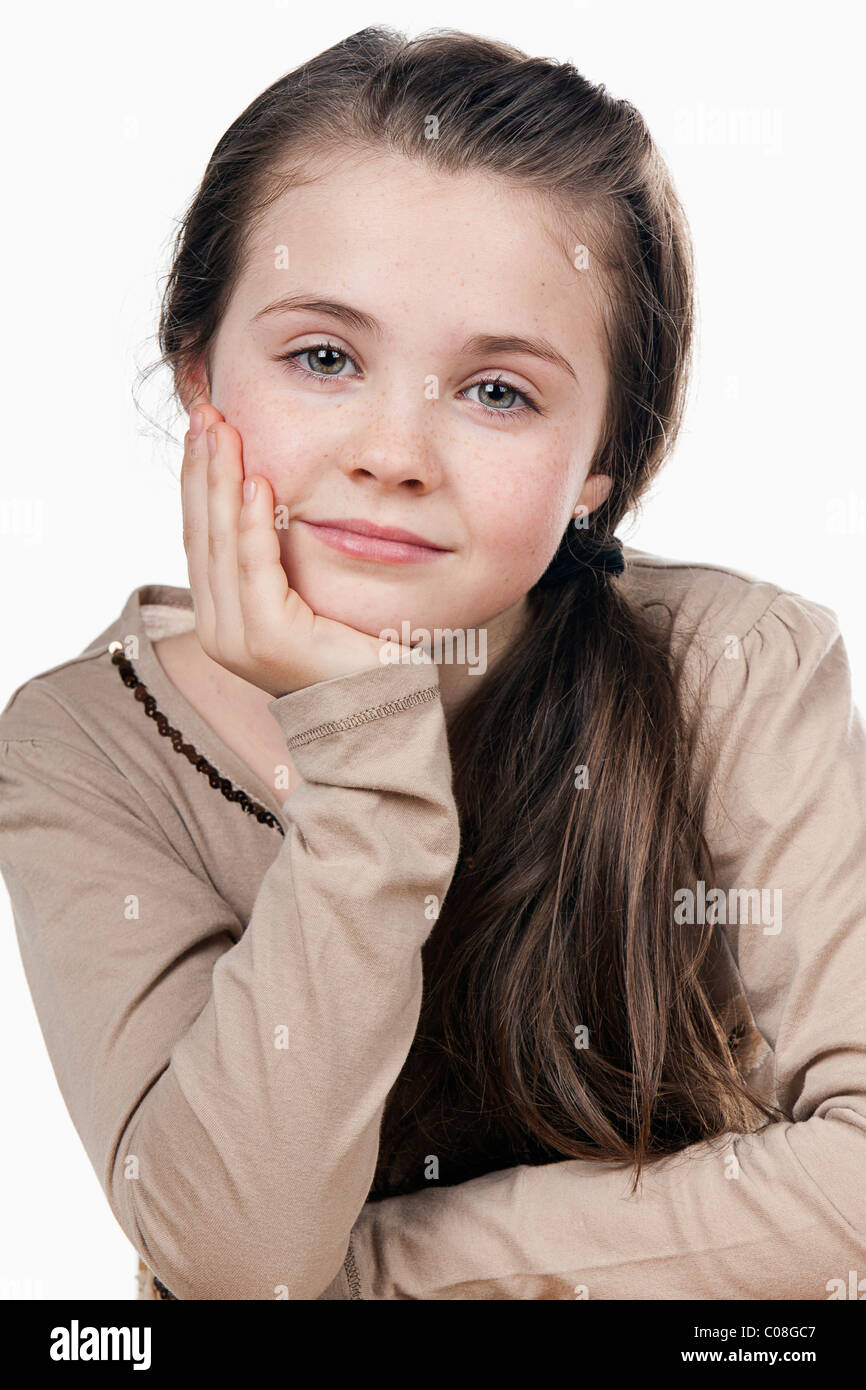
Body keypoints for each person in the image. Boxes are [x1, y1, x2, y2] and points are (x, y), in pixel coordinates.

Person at [1, 26, 864, 1302]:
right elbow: (236, 1257)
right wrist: (357, 743)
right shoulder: (83, 743)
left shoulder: (733, 666)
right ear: (198, 374)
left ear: (596, 470)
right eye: (324, 358)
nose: (392, 451)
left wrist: (371, 1280)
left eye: (497, 392)